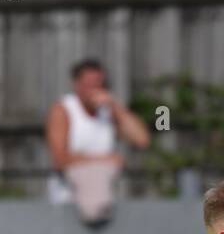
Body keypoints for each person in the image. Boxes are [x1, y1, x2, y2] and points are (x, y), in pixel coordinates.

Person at [44, 58, 151, 225]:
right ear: (77, 85)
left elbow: (141, 139)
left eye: (98, 84)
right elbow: (59, 159)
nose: (94, 90)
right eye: (89, 84)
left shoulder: (107, 112)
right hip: (68, 200)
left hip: (106, 199)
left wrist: (115, 106)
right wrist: (102, 160)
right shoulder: (63, 110)